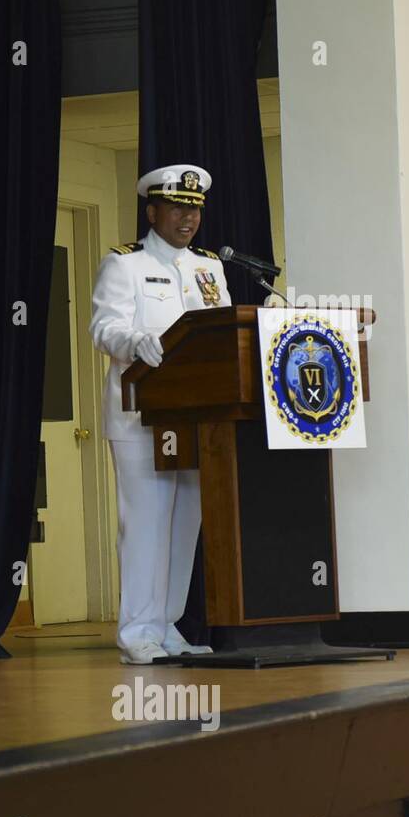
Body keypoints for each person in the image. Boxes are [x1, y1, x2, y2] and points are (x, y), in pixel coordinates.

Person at [88, 164, 228, 665]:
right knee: (145, 524)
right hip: (140, 417)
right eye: (176, 208)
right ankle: (136, 633)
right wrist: (134, 342)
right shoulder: (124, 264)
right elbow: (104, 329)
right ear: (152, 211)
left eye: (194, 210)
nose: (187, 218)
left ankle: (167, 626)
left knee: (183, 525)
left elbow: (223, 334)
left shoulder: (209, 267)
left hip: (195, 420)